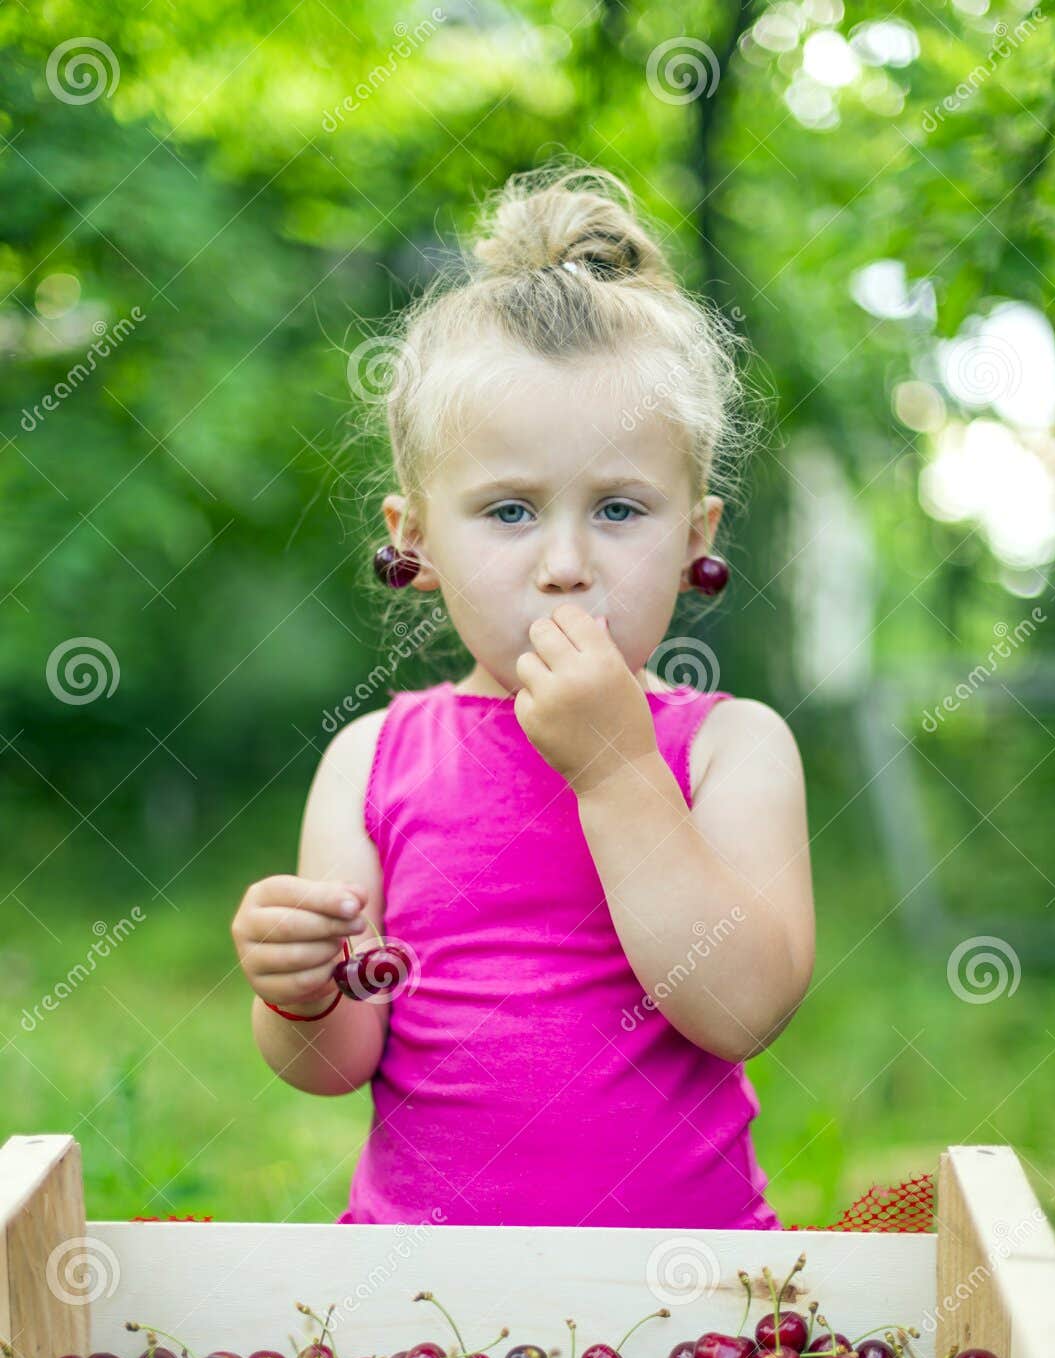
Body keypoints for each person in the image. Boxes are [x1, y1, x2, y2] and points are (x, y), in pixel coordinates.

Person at [231, 164, 815, 1230]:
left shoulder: (729, 748)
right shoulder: (373, 759)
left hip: (690, 1331)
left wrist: (616, 767)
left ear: (696, 539)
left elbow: (738, 1007)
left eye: (619, 509)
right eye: (507, 511)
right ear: (414, 541)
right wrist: (299, 987)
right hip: (424, 1322)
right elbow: (331, 1063)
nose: (563, 563)